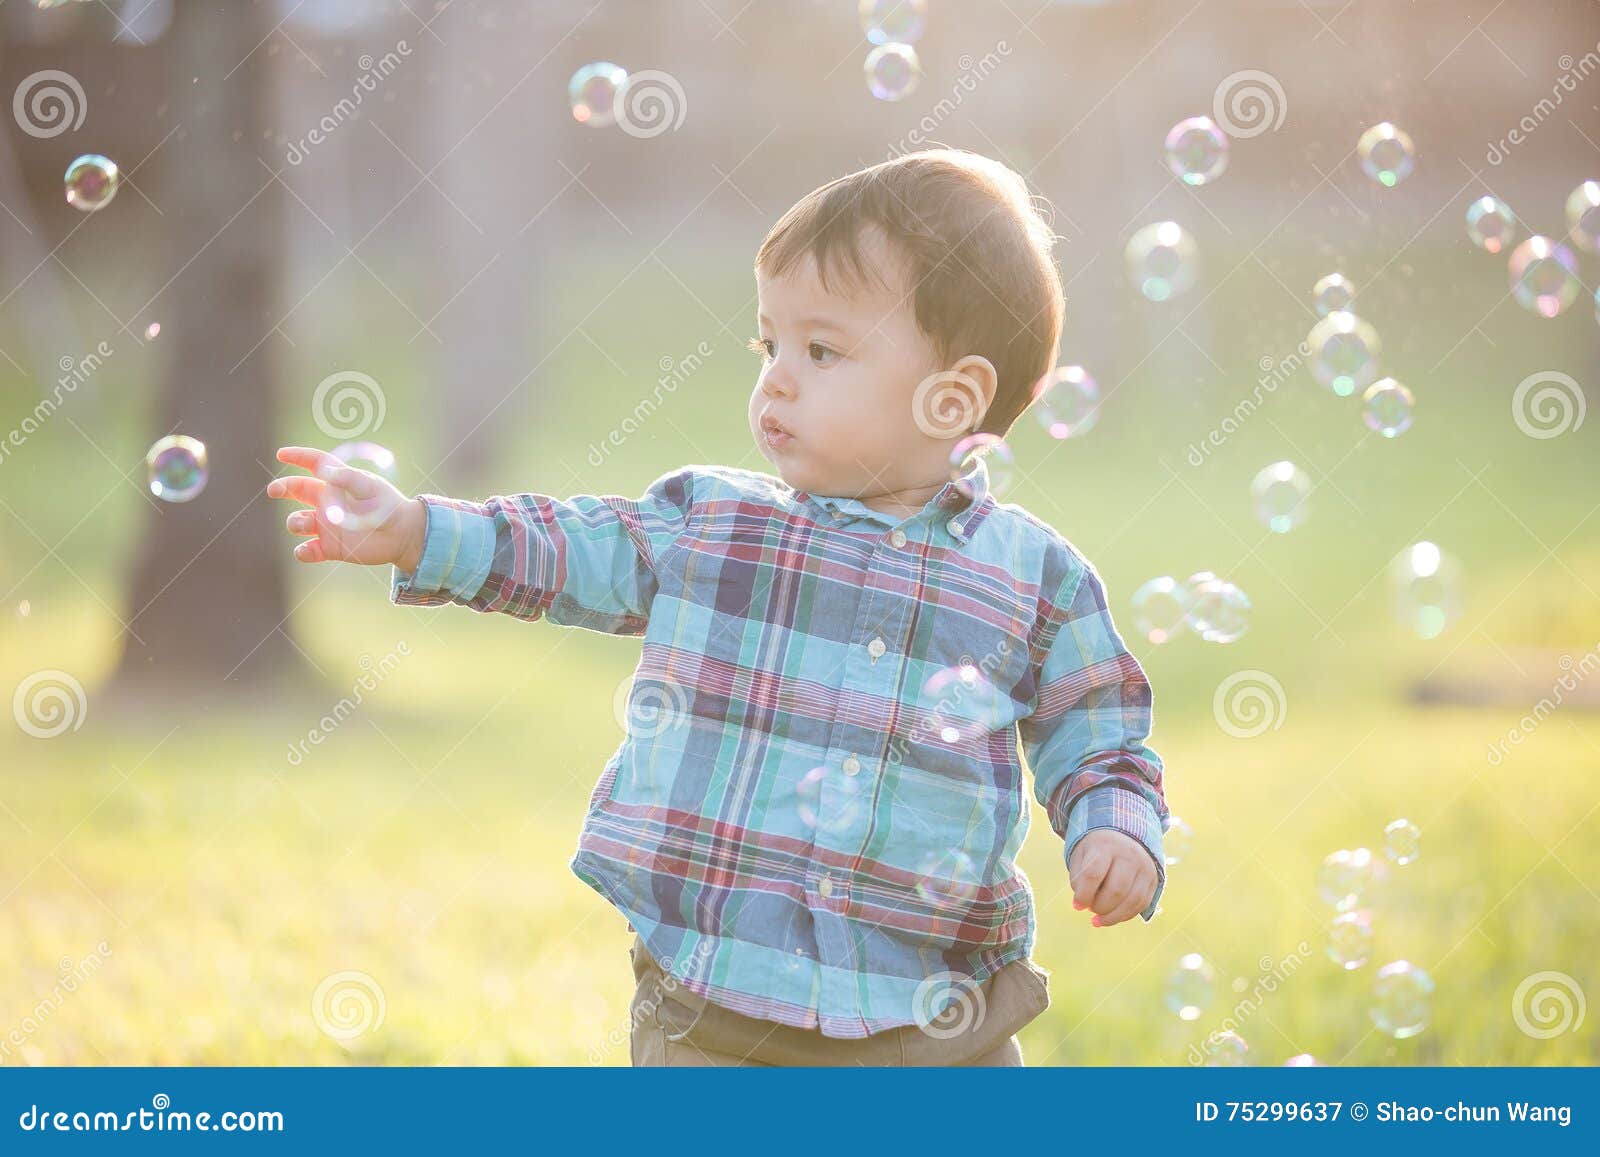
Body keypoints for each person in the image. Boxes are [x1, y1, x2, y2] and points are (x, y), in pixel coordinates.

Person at [267, 148, 1169, 1067]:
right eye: (768, 344)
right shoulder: (717, 525)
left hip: (937, 1025)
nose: (776, 377)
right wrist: (419, 530)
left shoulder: (1035, 580)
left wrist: (1114, 824)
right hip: (714, 1008)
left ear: (955, 398)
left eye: (820, 350)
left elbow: (1100, 732)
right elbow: (574, 546)